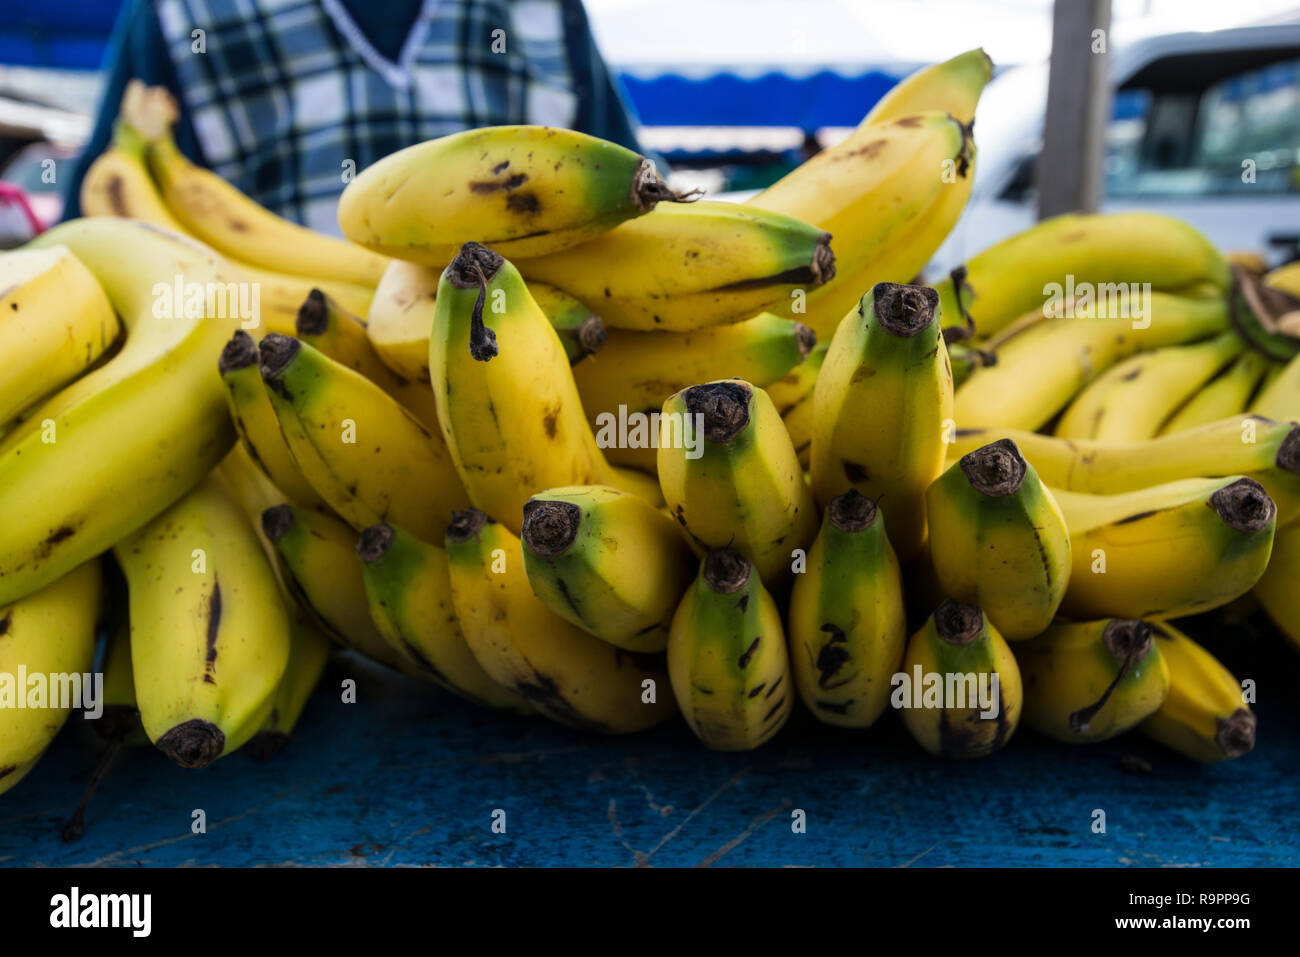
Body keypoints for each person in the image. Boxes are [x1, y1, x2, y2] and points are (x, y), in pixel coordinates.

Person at [64, 0, 649, 233]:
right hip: (266, 437)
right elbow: (96, 240)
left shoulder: (543, 12)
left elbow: (633, 208)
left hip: (534, 415)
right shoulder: (183, 16)